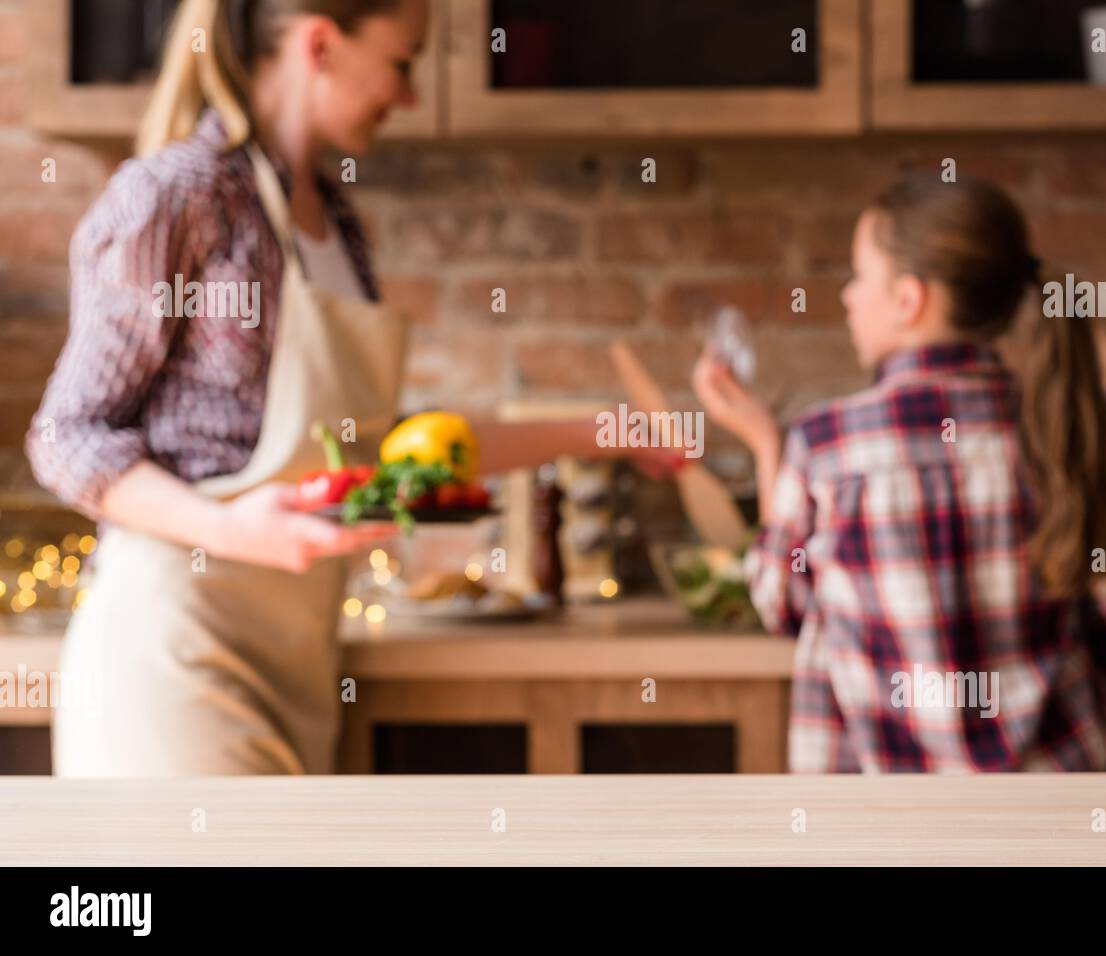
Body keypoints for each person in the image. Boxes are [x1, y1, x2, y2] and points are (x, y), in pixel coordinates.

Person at [27, 0, 667, 777]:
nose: (410, 95)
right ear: (322, 44)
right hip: (173, 656)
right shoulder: (177, 195)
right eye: (402, 62)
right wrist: (228, 528)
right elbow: (67, 436)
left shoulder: (335, 219)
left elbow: (385, 452)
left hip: (296, 662)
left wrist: (604, 432)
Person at [693, 175, 1106, 772]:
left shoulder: (827, 444)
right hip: (1058, 802)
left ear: (908, 300)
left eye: (859, 275)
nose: (847, 296)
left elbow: (779, 601)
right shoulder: (1062, 429)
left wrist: (766, 444)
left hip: (891, 816)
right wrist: (1069, 303)